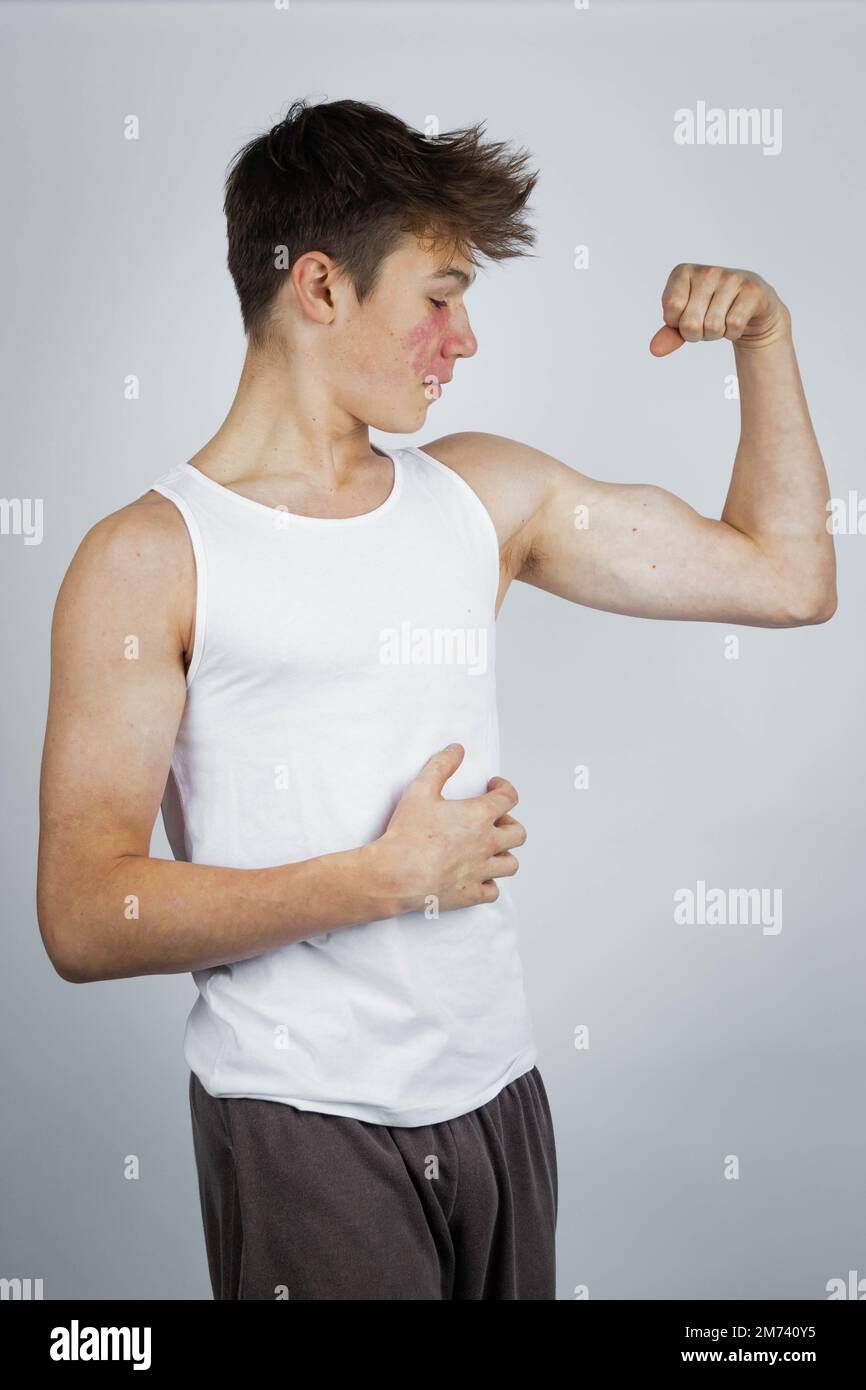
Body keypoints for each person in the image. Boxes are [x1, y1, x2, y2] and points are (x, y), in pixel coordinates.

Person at [36, 98, 836, 1301]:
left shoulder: (481, 495)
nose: (460, 342)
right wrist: (381, 880)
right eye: (438, 296)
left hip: (498, 1099)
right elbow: (86, 916)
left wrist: (764, 339)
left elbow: (788, 578)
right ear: (317, 287)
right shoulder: (146, 557)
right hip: (302, 1125)